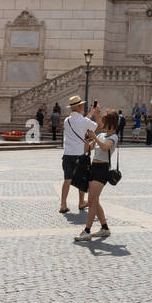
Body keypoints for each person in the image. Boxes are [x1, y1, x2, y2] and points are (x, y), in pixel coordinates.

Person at [74, 109, 119, 242]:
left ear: (110, 123)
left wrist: (94, 137)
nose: (102, 125)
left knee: (92, 200)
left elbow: (105, 148)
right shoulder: (100, 135)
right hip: (93, 168)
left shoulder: (113, 137)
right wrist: (85, 139)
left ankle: (87, 231)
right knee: (95, 200)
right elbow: (88, 149)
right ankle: (104, 228)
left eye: (105, 122)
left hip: (102, 170)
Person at [59, 95, 95, 214]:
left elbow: (79, 123)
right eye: (82, 106)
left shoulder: (66, 120)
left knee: (67, 180)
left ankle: (63, 204)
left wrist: (89, 114)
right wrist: (92, 114)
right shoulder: (84, 121)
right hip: (80, 154)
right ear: (79, 107)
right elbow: (93, 126)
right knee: (81, 179)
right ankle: (81, 202)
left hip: (67, 154)